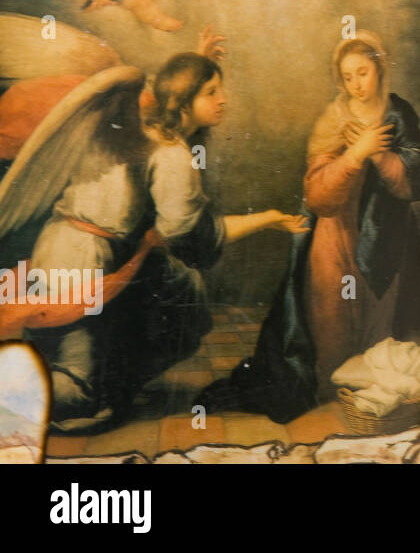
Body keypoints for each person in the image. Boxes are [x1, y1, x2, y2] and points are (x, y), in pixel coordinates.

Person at [24, 45, 306, 431]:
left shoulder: (137, 125)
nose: (223, 100)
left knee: (182, 289)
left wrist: (196, 63)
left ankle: (111, 386)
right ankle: (59, 391)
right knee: (77, 390)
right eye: (211, 92)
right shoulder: (171, 153)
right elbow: (188, 232)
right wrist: (267, 219)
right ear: (184, 101)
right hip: (80, 267)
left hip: (61, 251)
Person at [302, 32, 420, 394]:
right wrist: (354, 154)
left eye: (363, 72)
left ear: (380, 68)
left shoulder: (398, 113)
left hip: (383, 232)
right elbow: (316, 195)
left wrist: (379, 155)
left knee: (378, 329)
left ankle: (371, 403)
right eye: (347, 77)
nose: (356, 85)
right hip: (336, 235)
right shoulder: (333, 117)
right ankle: (335, 400)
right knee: (334, 322)